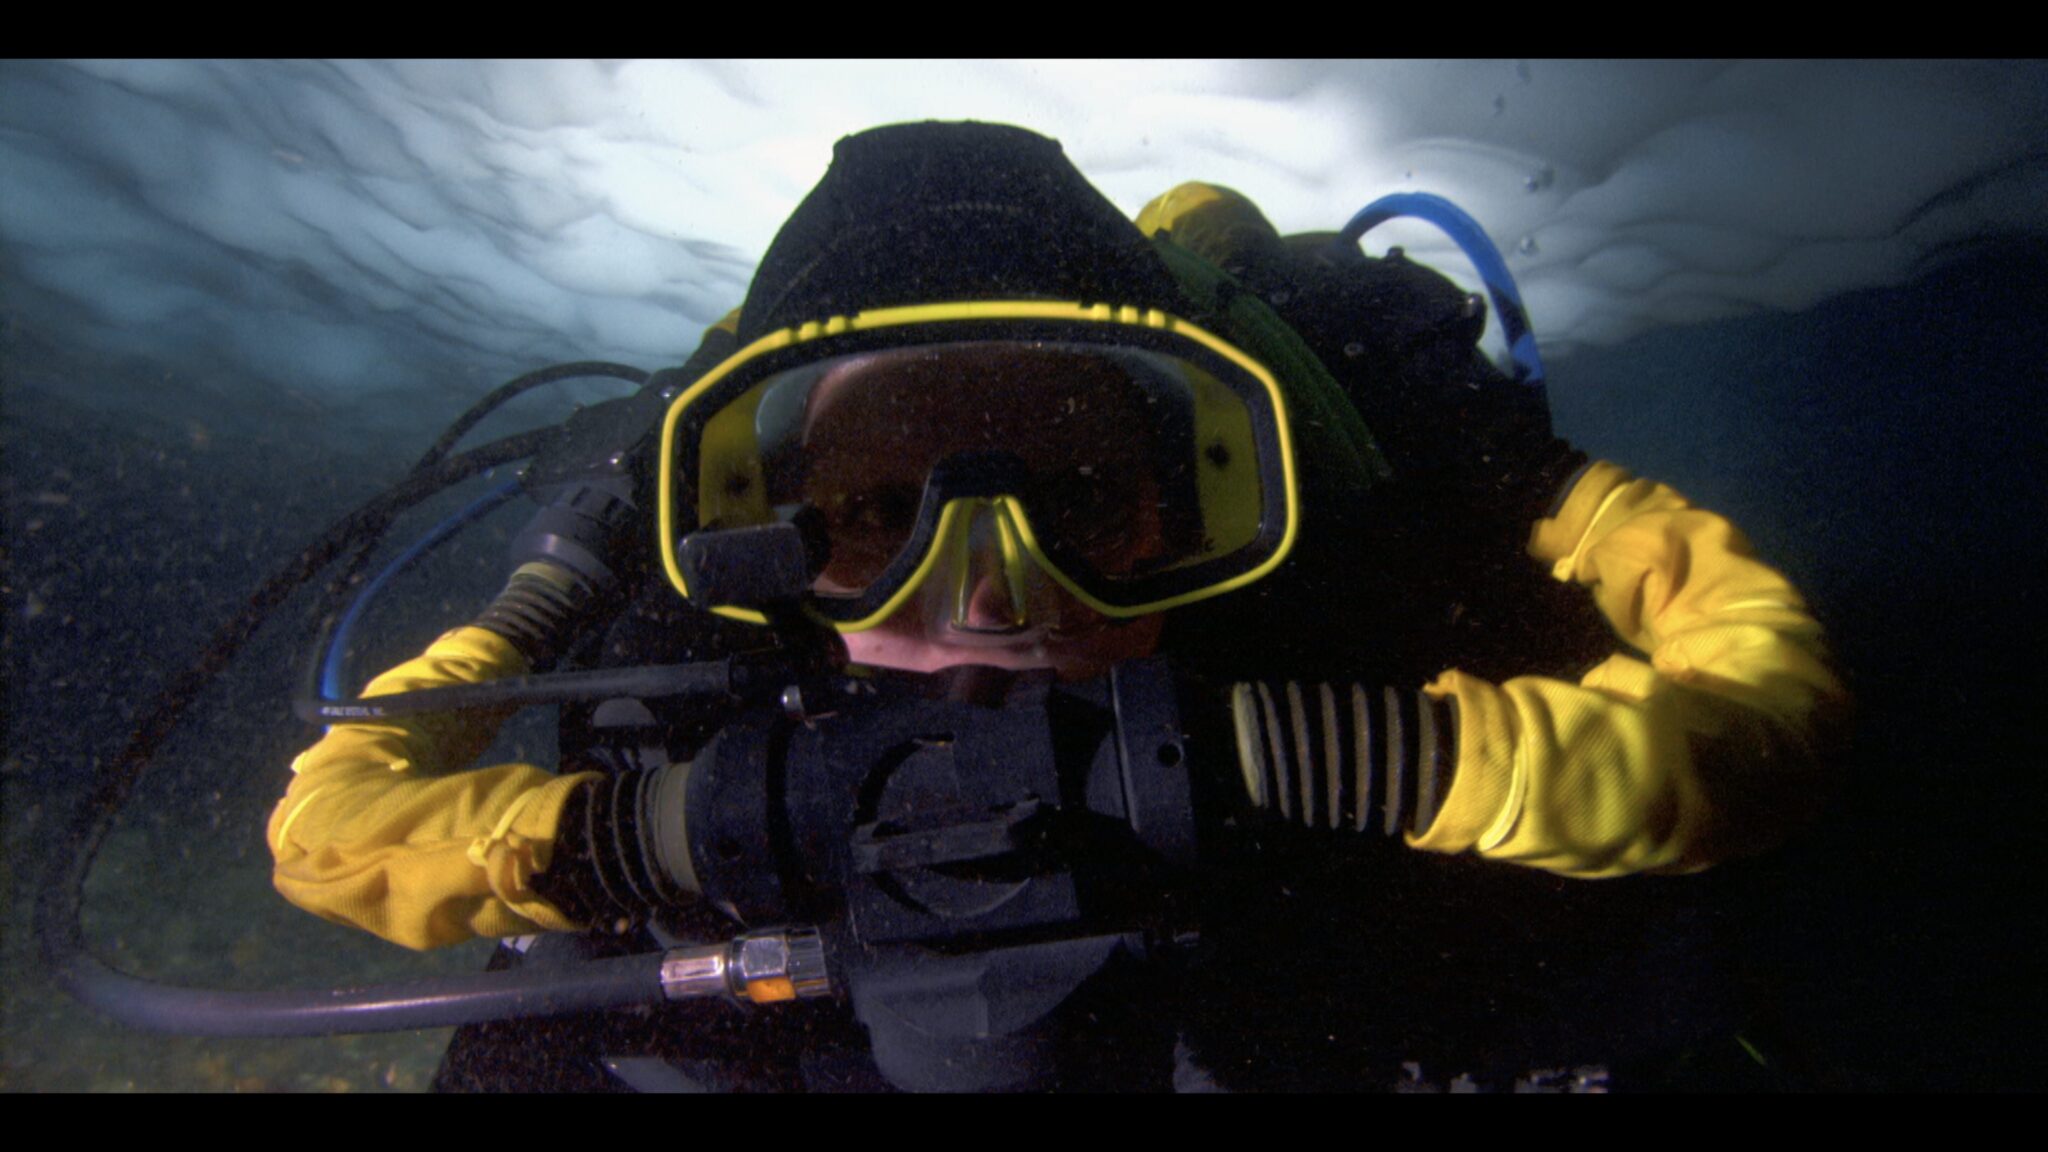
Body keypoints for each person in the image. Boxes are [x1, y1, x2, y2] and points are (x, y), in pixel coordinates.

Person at [266, 122, 1847, 1091]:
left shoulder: (1353, 589)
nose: (990, 600)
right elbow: (341, 821)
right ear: (753, 530)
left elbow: (1755, 722)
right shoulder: (683, 647)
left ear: (1220, 482)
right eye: (875, 513)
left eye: (1082, 496)